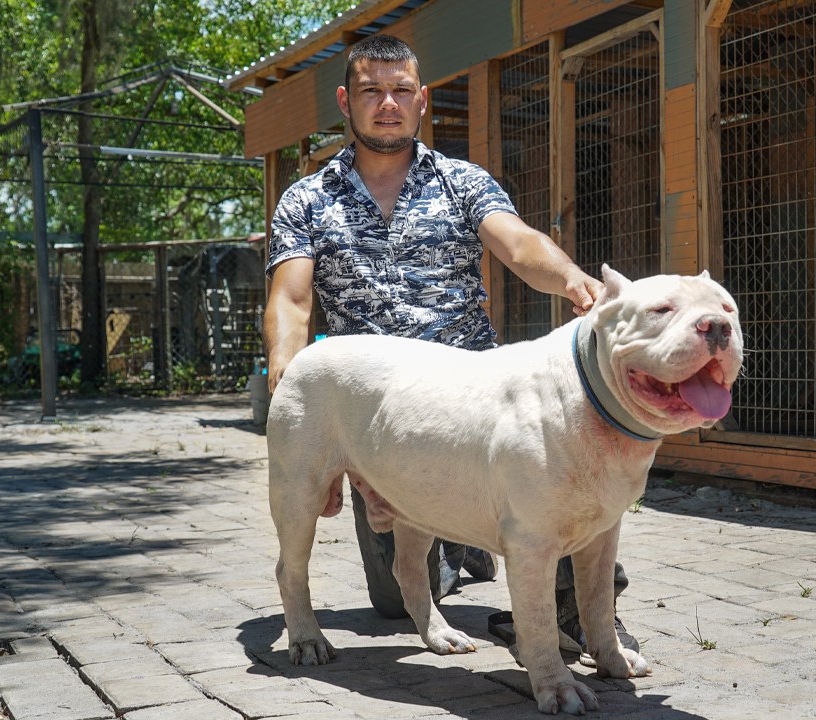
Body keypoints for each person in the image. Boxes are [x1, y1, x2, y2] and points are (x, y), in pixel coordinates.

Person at [262, 34, 636, 662]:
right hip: (378, 412)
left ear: (423, 100)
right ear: (345, 101)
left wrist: (573, 276)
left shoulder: (462, 181)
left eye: (402, 90)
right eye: (371, 91)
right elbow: (292, 302)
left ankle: (575, 608)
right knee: (392, 600)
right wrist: (293, 399)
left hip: (473, 403)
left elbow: (518, 245)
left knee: (559, 495)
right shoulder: (307, 198)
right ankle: (459, 548)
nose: (388, 103)